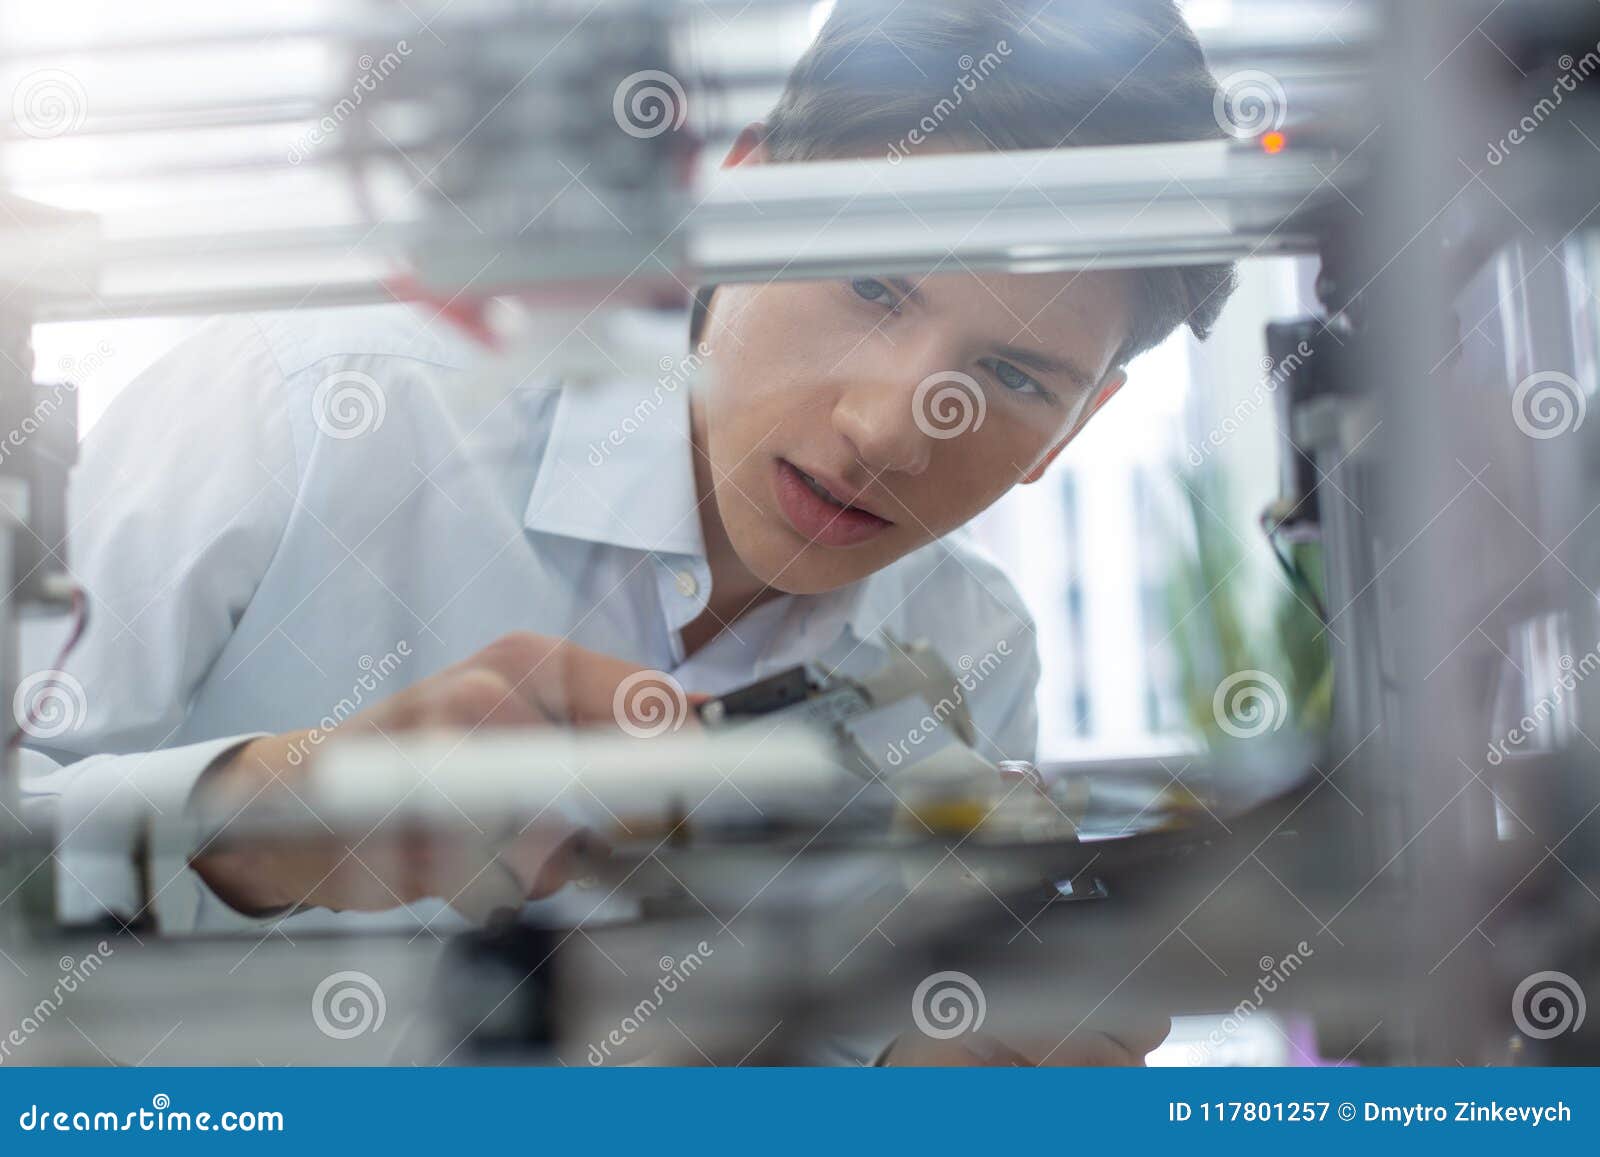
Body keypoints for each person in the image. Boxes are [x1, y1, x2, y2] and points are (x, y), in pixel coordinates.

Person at [21, 0, 1234, 1064]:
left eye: (1016, 375)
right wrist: (260, 825)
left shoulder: (972, 651)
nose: (888, 432)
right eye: (870, 285)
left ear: (1072, 433)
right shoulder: (301, 415)